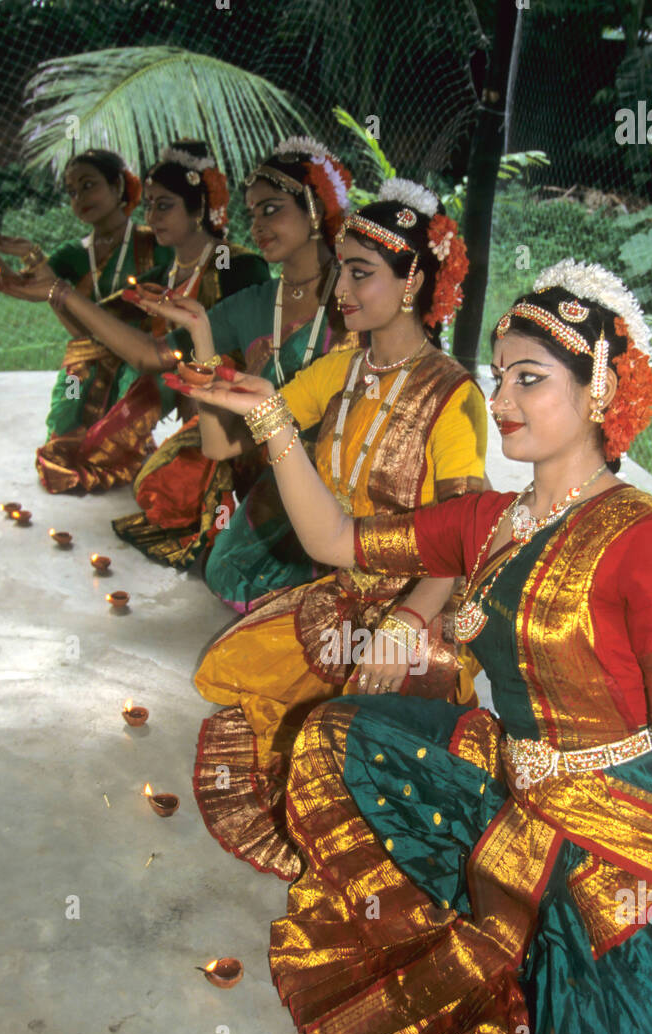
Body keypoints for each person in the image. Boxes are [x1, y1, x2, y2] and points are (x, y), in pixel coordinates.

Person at [187, 259, 652, 1034]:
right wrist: (272, 418)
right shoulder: (487, 524)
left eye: (529, 378)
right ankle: (501, 916)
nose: (502, 398)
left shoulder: (651, 543)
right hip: (514, 785)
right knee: (335, 739)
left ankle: (545, 926)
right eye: (498, 374)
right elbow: (332, 538)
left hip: (629, 834)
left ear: (599, 394)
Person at [185, 179, 487, 881]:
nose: (340, 290)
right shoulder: (343, 367)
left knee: (349, 794)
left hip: (418, 615)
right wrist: (204, 358)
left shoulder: (452, 397)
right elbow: (224, 447)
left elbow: (464, 541)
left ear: (413, 279)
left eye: (360, 273)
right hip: (341, 592)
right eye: (340, 270)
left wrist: (407, 619)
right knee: (240, 685)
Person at [111, 138, 356, 579]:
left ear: (315, 210)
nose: (257, 225)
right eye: (250, 213)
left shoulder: (356, 296)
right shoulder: (257, 301)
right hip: (269, 459)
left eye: (271, 209)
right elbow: (158, 360)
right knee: (227, 573)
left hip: (346, 471)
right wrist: (200, 330)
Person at [0, 142, 268, 494]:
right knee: (98, 374)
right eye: (149, 206)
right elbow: (95, 328)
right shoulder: (162, 275)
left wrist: (59, 291)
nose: (151, 218)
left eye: (164, 206)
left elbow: (252, 360)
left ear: (198, 208)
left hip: (234, 414)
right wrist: (48, 285)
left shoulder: (237, 266)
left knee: (161, 486)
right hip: (172, 378)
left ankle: (197, 460)